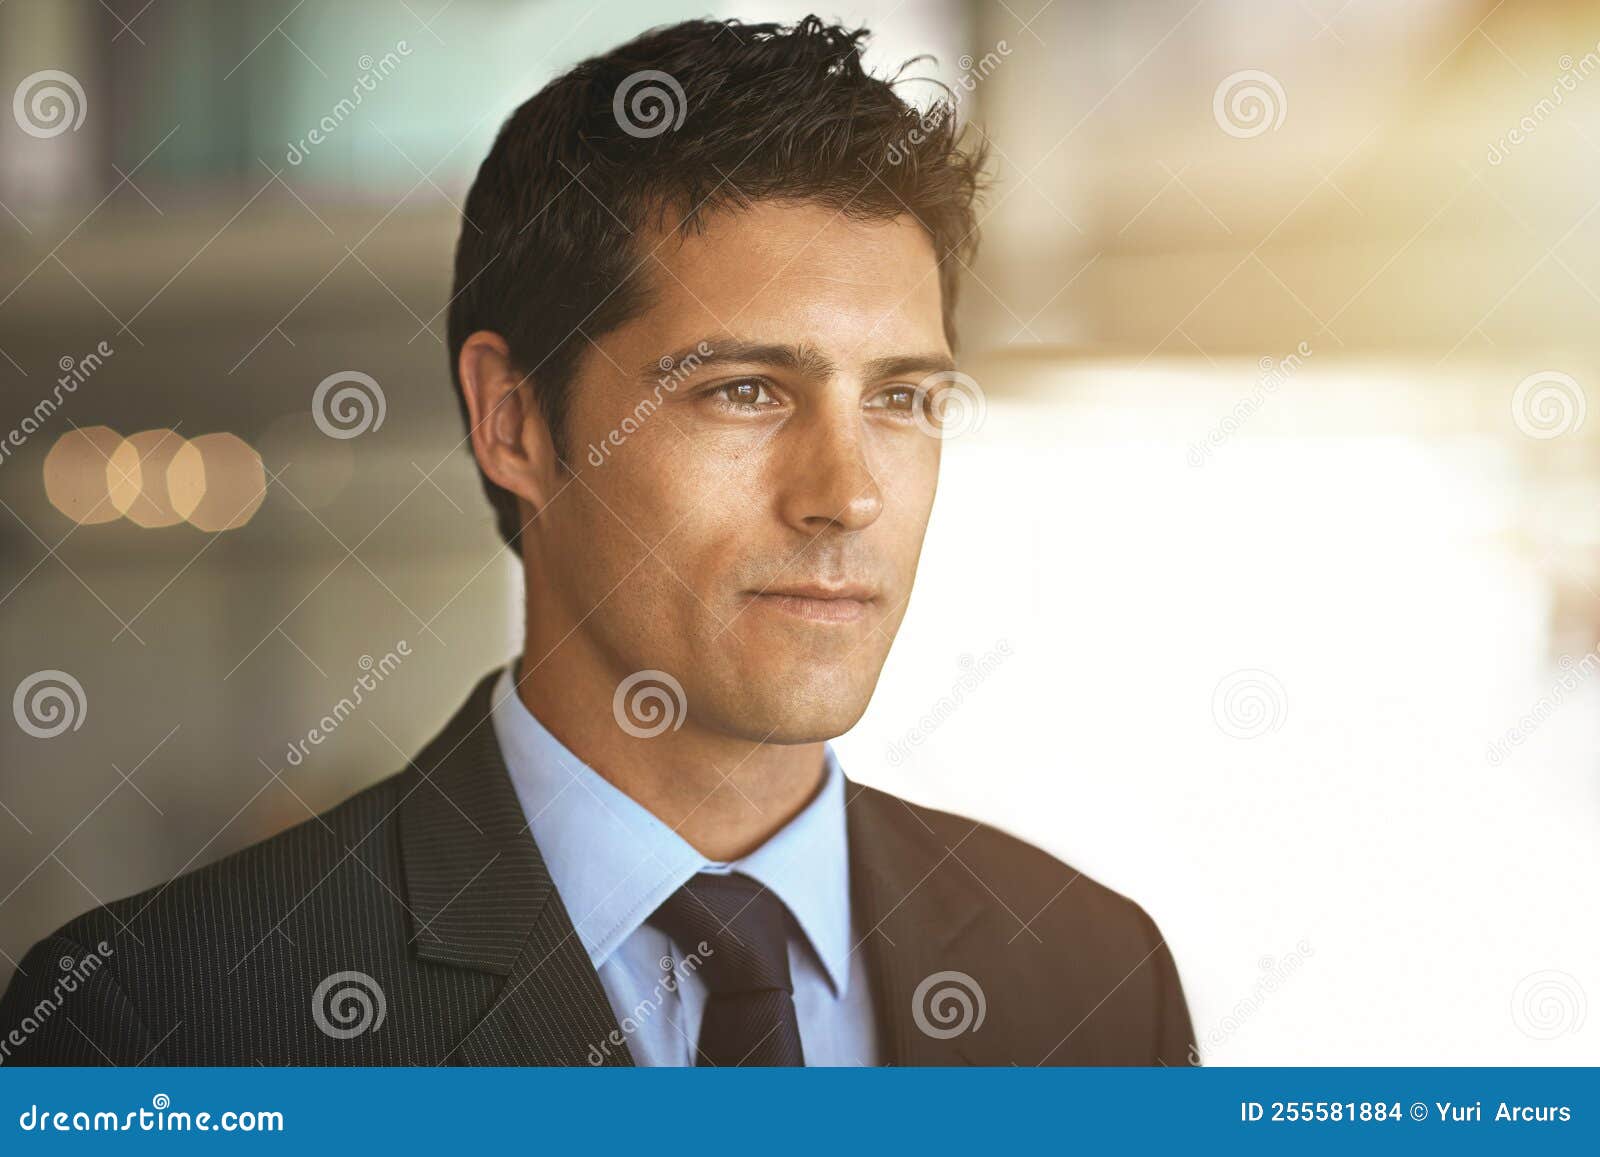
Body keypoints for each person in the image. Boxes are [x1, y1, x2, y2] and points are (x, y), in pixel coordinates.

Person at [0, 16, 1192, 1067]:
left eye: (900, 399)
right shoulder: (161, 1022)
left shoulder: (1093, 978)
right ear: (513, 420)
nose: (847, 496)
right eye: (744, 390)